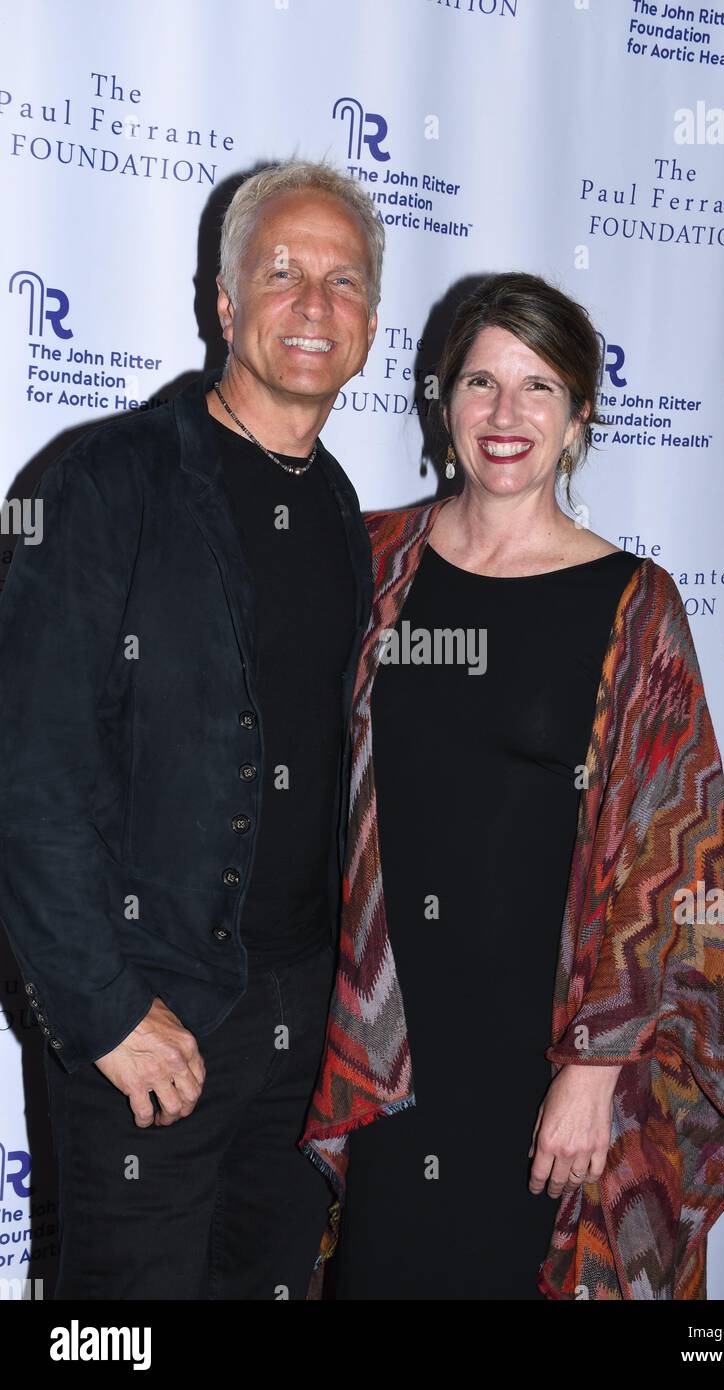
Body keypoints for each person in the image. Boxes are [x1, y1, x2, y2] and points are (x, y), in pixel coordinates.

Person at [301, 271, 724, 1300]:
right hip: (390, 1040)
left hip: (545, 1049)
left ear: (578, 417)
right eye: (479, 382)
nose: (503, 415)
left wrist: (594, 1067)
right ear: (444, 403)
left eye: (537, 387)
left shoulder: (632, 605)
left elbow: (670, 868)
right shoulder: (375, 562)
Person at [0, 158, 383, 1299]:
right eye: (281, 272)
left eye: (345, 281)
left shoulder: (337, 508)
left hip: (296, 1029)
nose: (314, 304)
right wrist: (103, 1011)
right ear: (224, 304)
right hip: (149, 1015)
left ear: (369, 320)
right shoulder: (105, 483)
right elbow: (26, 770)